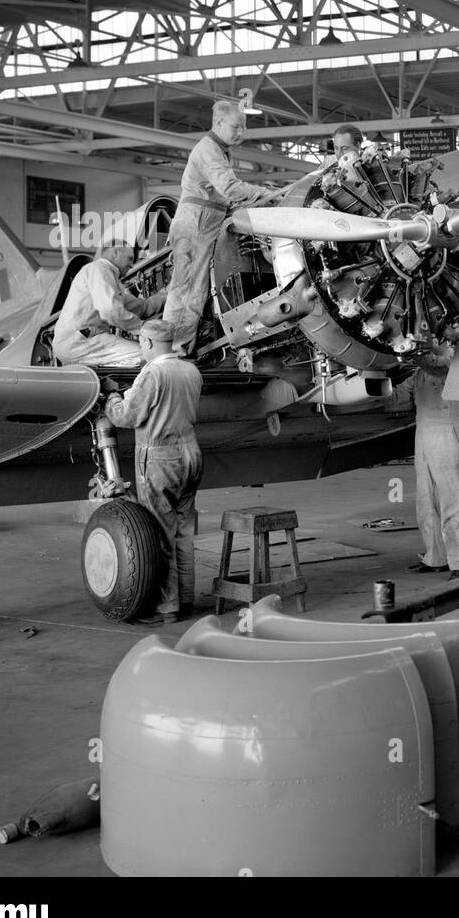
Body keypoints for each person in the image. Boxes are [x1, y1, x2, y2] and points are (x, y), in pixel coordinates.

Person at [102, 319, 204, 624]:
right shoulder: (191, 371)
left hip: (161, 459)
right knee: (184, 533)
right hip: (192, 455)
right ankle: (185, 600)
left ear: (146, 343)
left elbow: (126, 416)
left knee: (161, 535)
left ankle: (167, 607)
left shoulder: (152, 373)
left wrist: (111, 396)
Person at [161, 99, 282, 355]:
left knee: (195, 290)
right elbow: (229, 187)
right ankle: (172, 353)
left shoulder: (220, 150)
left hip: (205, 221)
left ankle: (178, 349)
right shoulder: (208, 149)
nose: (241, 133)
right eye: (236, 126)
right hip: (197, 222)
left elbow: (225, 196)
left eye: (244, 128)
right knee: (188, 292)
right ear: (218, 123)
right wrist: (268, 194)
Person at [408, 344, 459, 579]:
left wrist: (407, 344)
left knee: (452, 501)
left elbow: (432, 364)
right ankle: (436, 558)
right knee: (426, 502)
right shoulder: (418, 373)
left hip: (447, 432)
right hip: (423, 434)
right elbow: (395, 396)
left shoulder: (454, 359)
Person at [53, 240, 163, 367]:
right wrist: (144, 330)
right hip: (80, 342)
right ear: (115, 253)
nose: (132, 264)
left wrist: (164, 296)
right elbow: (110, 311)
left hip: (80, 342)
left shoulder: (110, 281)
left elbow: (141, 307)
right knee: (150, 356)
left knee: (143, 357)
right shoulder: (99, 269)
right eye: (130, 258)